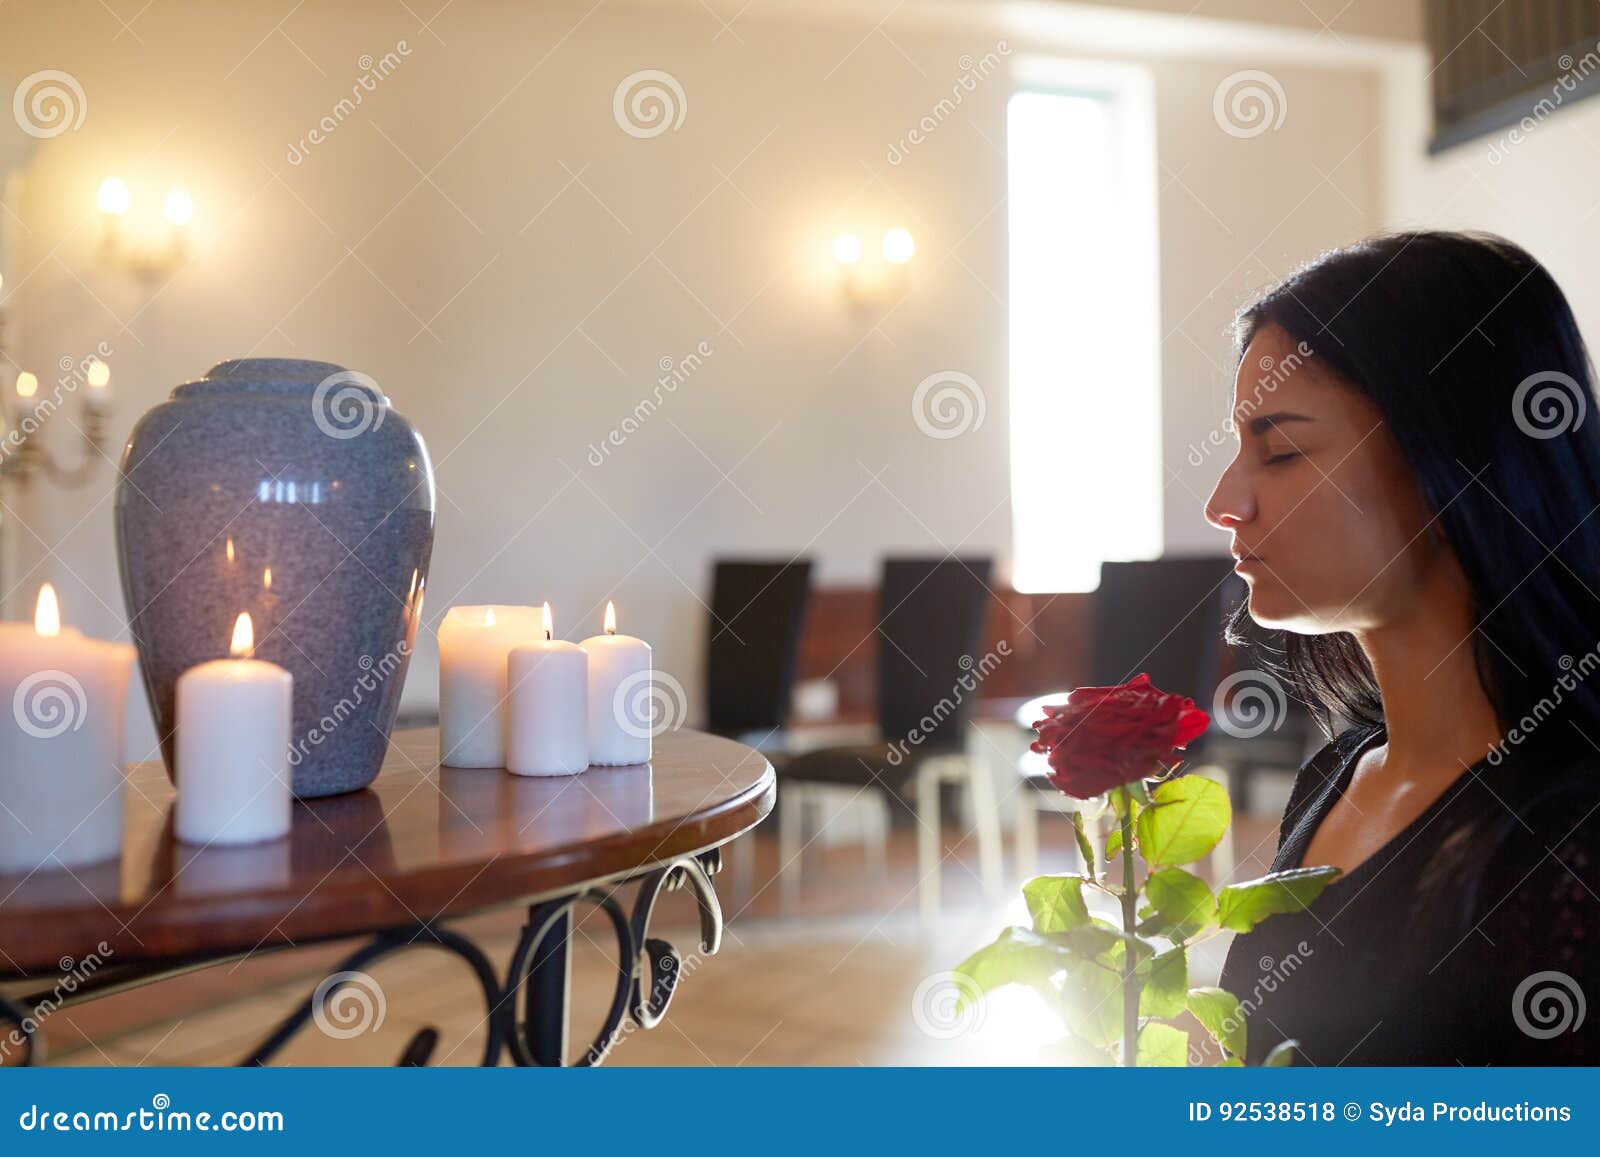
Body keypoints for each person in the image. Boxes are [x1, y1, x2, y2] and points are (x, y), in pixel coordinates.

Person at [1204, 231, 1600, 1065]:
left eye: (1279, 450)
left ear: (1450, 460)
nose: (1224, 500)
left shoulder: (1568, 838)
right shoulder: (1336, 773)